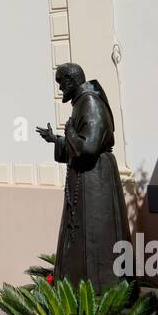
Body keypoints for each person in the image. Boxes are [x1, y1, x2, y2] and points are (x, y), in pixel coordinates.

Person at [35, 63, 127, 288]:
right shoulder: (81, 103)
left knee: (95, 238)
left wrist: (68, 133)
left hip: (96, 181)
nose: (60, 90)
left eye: (61, 84)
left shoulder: (90, 103)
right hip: (87, 178)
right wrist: (57, 140)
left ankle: (100, 289)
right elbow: (80, 143)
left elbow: (88, 148)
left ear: (71, 80)